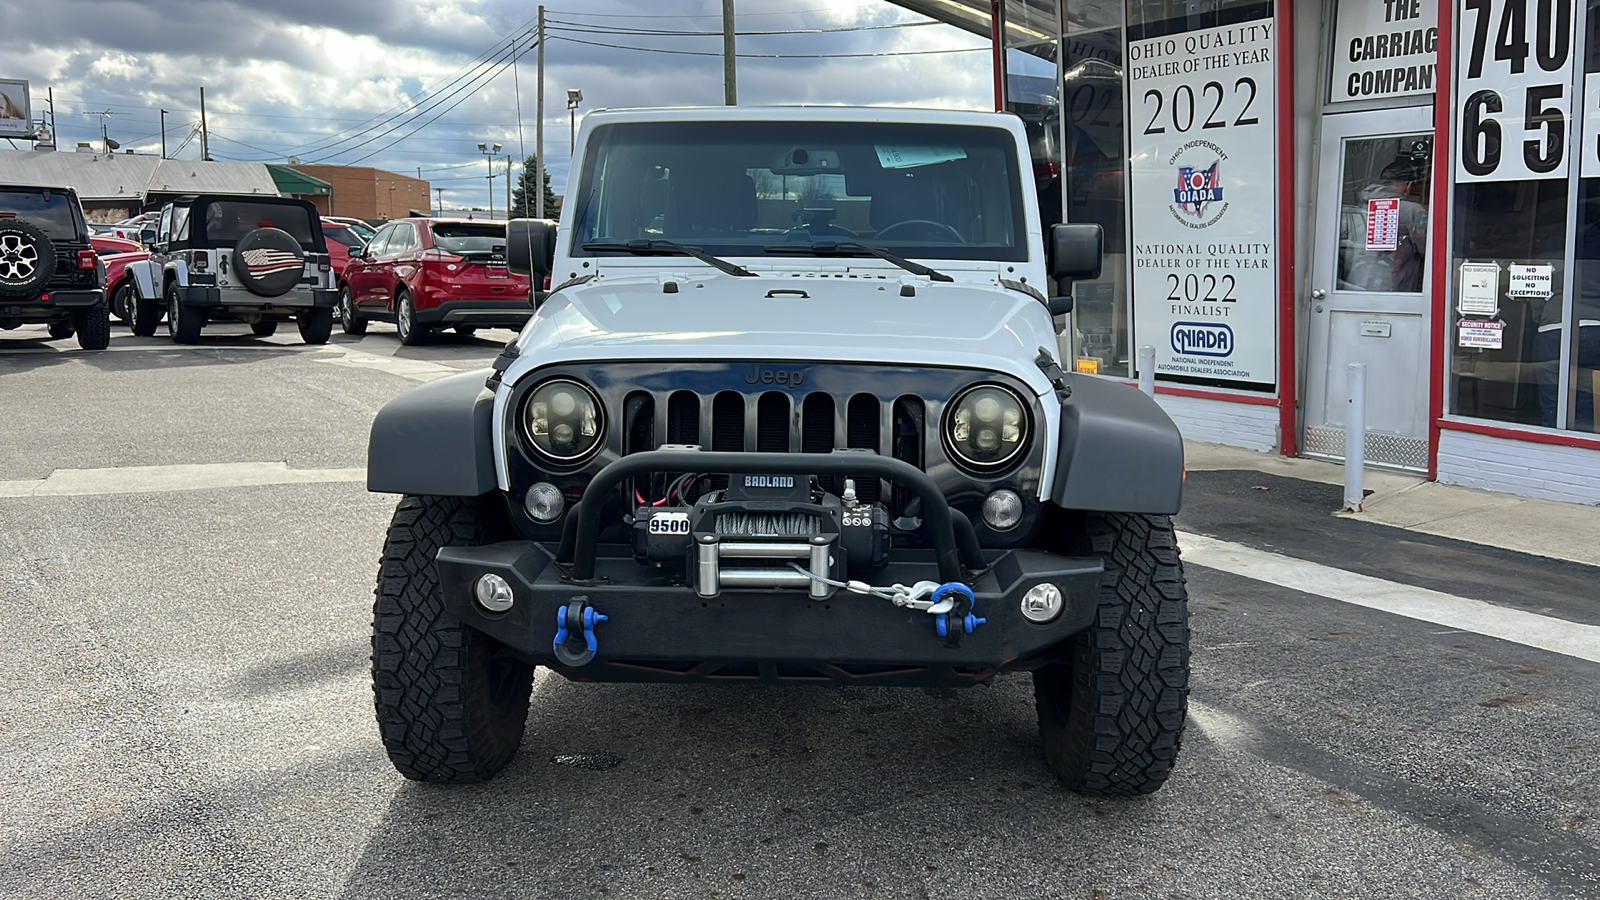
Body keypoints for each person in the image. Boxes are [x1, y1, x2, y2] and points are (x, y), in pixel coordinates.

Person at [1534, 220, 1600, 432]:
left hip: (1554, 330)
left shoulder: (1551, 256)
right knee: (1589, 402)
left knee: (1553, 402)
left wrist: (1543, 317)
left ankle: (1550, 449)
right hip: (1596, 328)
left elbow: (1536, 298)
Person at [1353, 161, 1428, 292]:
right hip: (1396, 286)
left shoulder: (1362, 206)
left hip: (1358, 281)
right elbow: (1428, 250)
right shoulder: (1413, 211)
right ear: (1408, 185)